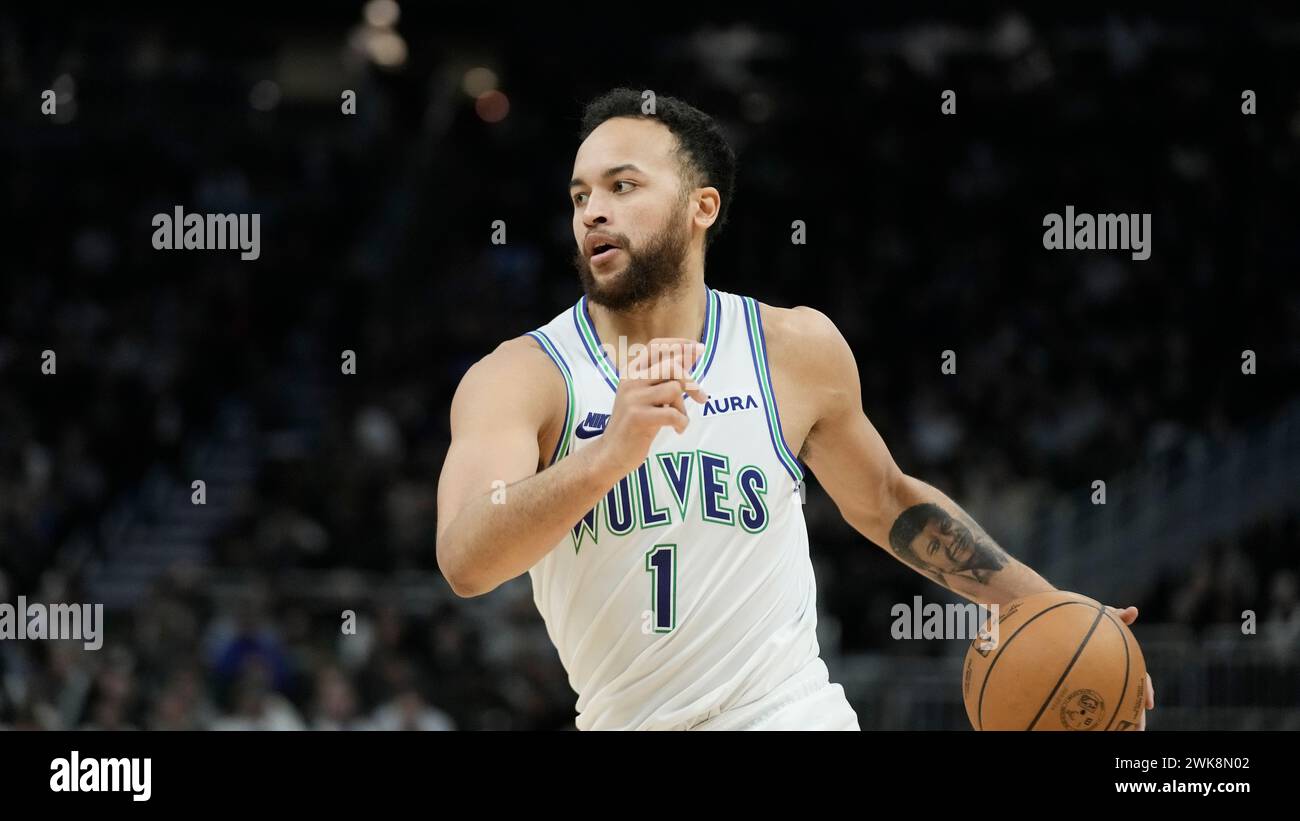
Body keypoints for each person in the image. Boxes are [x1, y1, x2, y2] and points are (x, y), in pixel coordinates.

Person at [436, 88, 1155, 731]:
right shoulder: (523, 377)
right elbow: (465, 559)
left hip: (788, 711)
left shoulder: (792, 347)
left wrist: (1060, 610)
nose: (593, 209)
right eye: (580, 193)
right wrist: (606, 455)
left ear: (701, 206)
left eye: (623, 186)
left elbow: (887, 501)